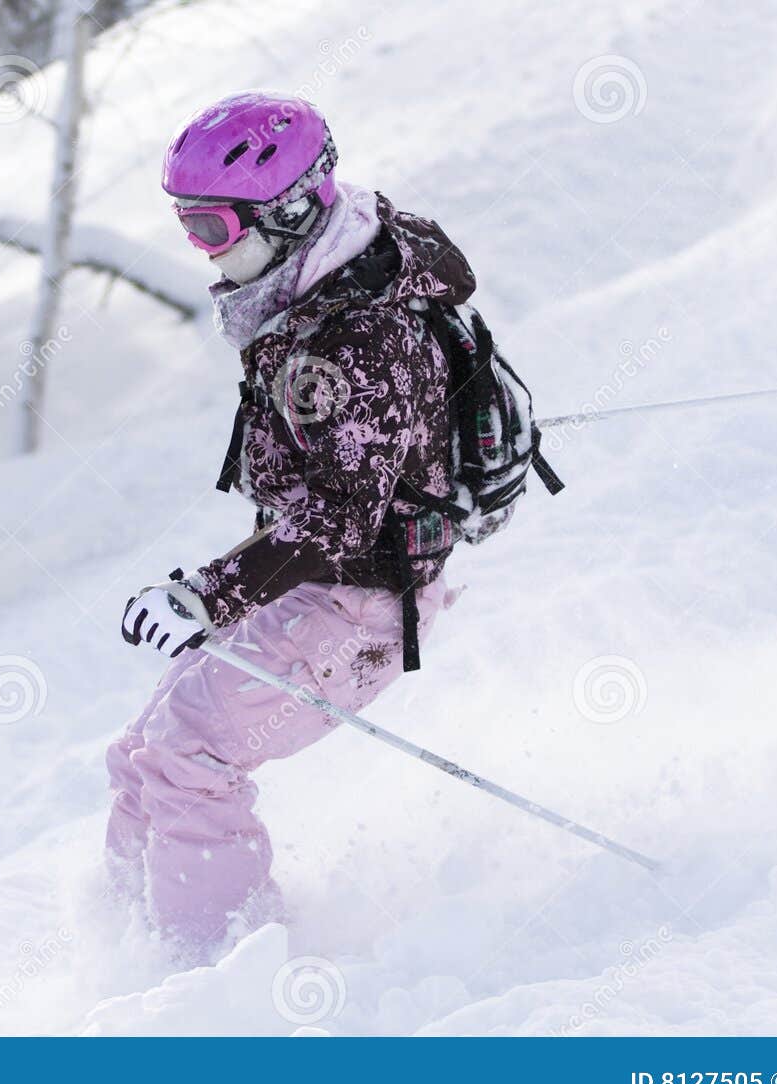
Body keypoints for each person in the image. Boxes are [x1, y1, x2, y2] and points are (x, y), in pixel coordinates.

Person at [105, 91, 480, 957]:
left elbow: (347, 516)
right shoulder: (324, 276)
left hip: (362, 607)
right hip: (316, 586)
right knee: (141, 754)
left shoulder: (359, 337)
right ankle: (128, 943)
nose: (200, 248)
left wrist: (209, 596)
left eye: (208, 226)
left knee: (186, 756)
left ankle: (219, 973)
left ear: (289, 210)